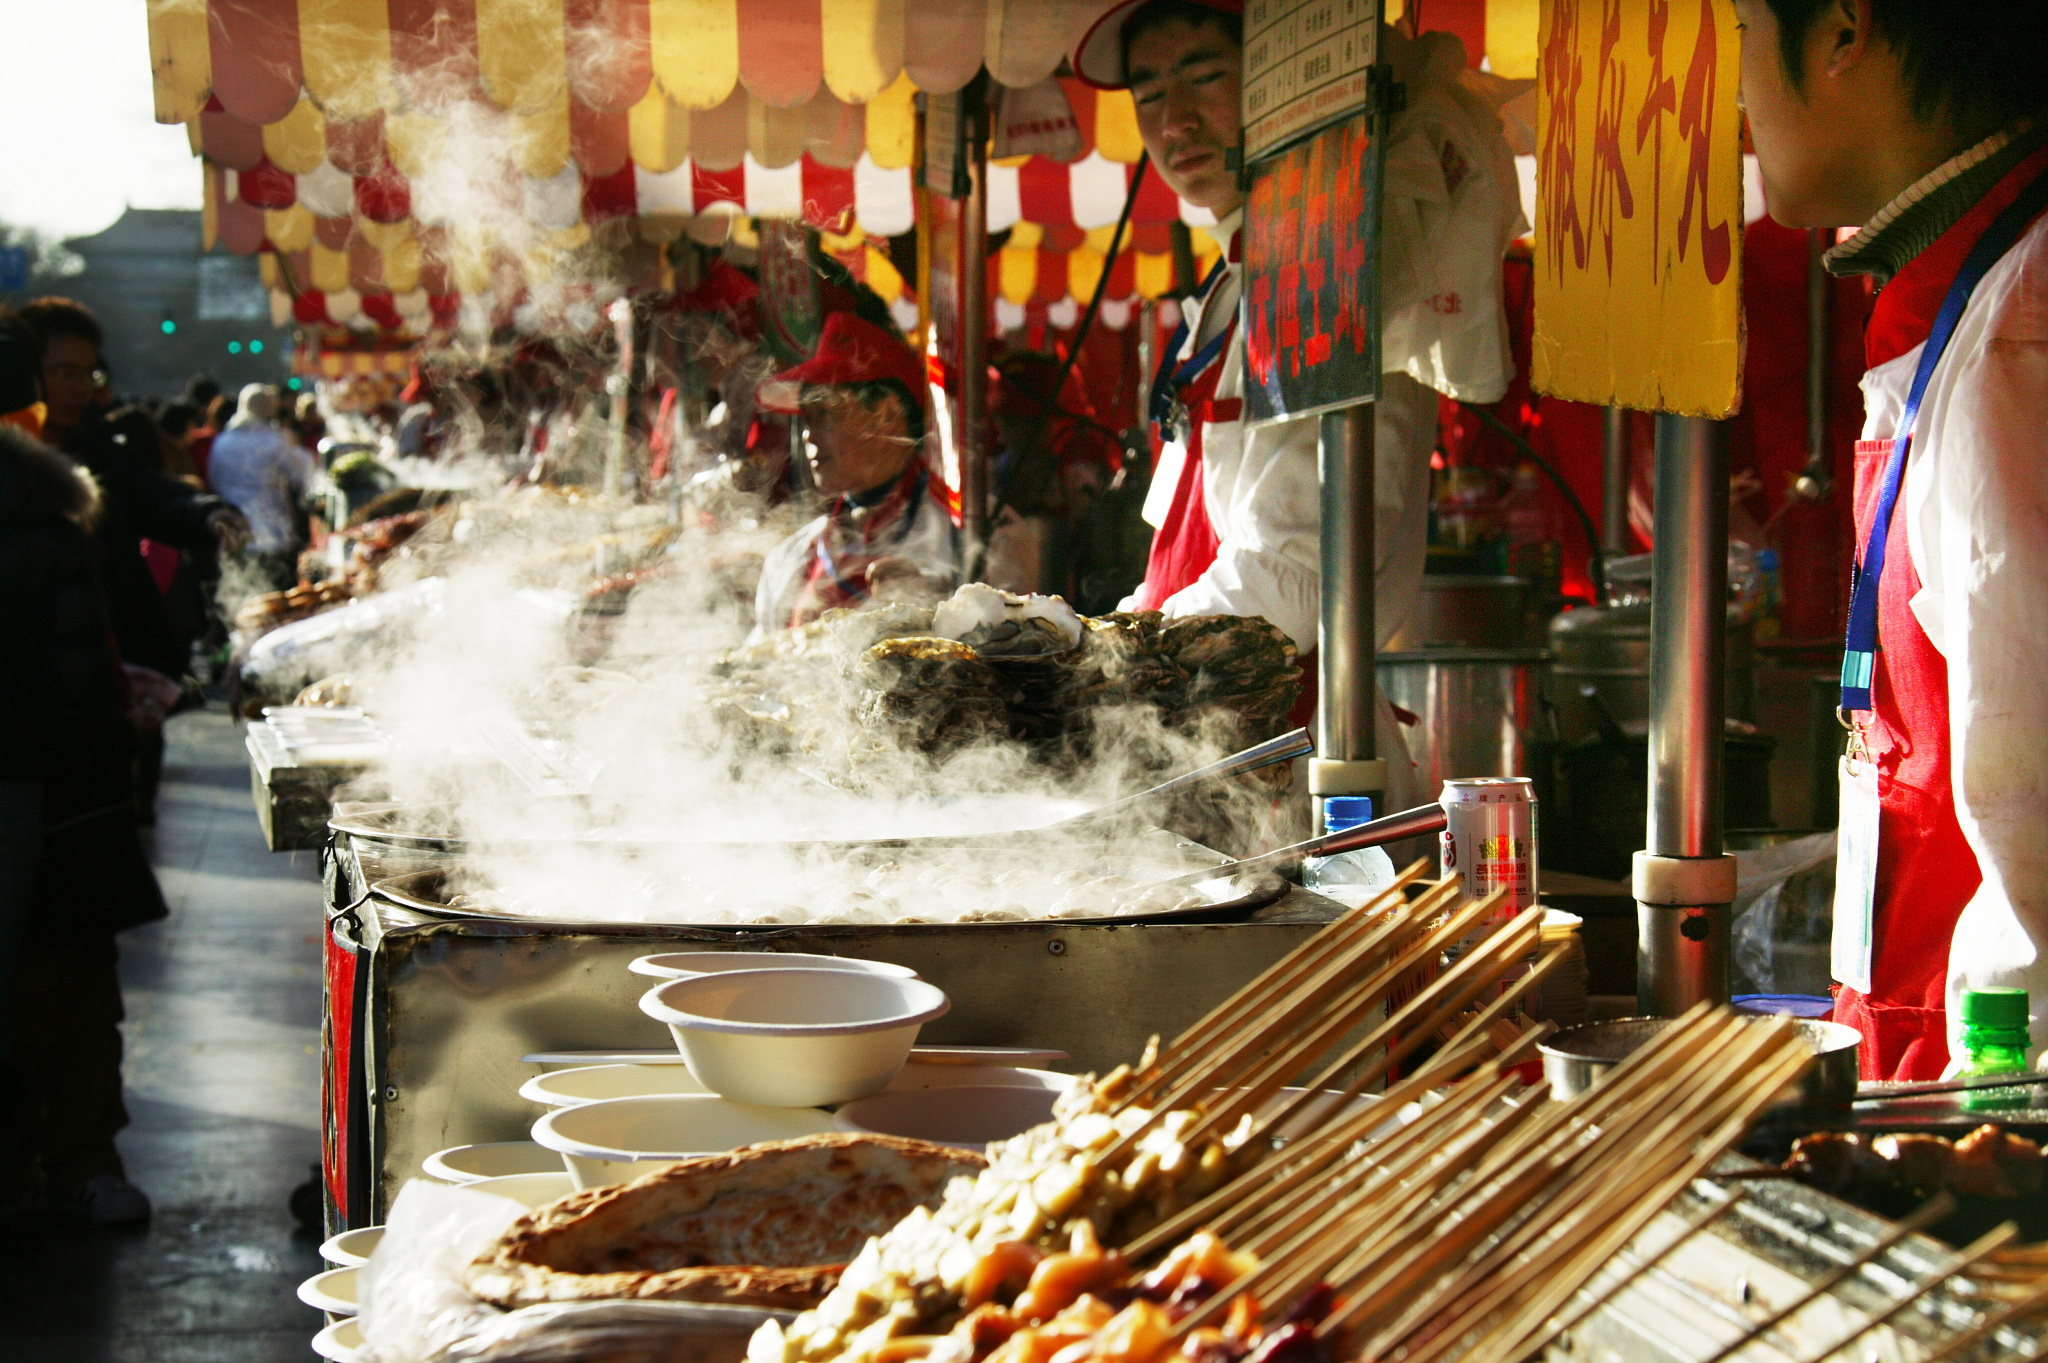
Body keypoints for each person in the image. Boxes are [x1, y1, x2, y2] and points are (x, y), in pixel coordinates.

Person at [1071, 0, 1525, 811]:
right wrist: (1081, 649)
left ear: (1290, 75)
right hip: (1186, 751)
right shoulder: (1226, 294)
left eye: (1206, 75)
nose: (1175, 120)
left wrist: (1111, 671)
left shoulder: (1346, 276)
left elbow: (1294, 576)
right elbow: (1174, 554)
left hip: (1293, 760)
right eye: (1149, 93)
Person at [1734, 0, 2048, 1078]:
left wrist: (1991, 1113)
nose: (1738, 98)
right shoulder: (1959, 297)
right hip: (1924, 1045)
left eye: (1741, 32)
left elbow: (2034, 791)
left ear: (1841, 33)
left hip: (1996, 1096)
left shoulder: (2019, 324)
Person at [747, 312, 958, 640]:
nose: (808, 436)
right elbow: (755, 669)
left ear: (887, 413)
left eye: (825, 415)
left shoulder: (961, 536)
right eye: (807, 420)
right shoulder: (790, 558)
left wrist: (939, 613)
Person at [207, 383, 319, 590]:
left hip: (235, 533)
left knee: (244, 595)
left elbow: (214, 482)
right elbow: (300, 475)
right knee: (280, 598)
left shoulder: (221, 442)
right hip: (273, 534)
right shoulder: (274, 441)